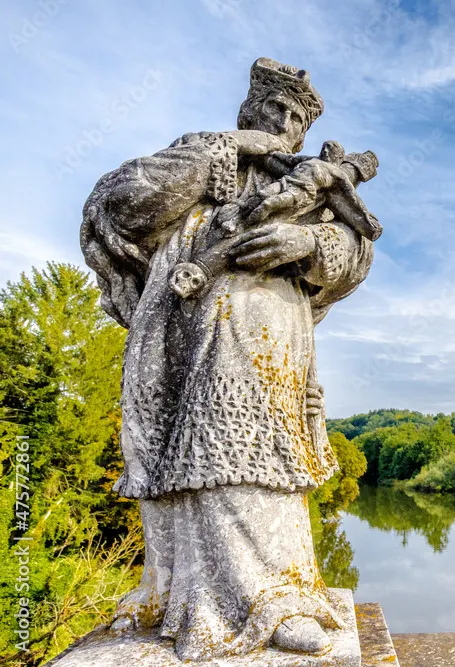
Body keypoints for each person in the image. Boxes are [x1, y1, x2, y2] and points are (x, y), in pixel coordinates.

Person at [80, 57, 377, 660]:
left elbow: (356, 247)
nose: (286, 125)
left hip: (271, 338)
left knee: (262, 458)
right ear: (249, 112)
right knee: (199, 462)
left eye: (296, 118)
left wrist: (308, 242)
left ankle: (278, 599)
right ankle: (196, 597)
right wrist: (232, 147)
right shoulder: (205, 154)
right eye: (274, 112)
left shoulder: (306, 181)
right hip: (182, 337)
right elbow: (116, 203)